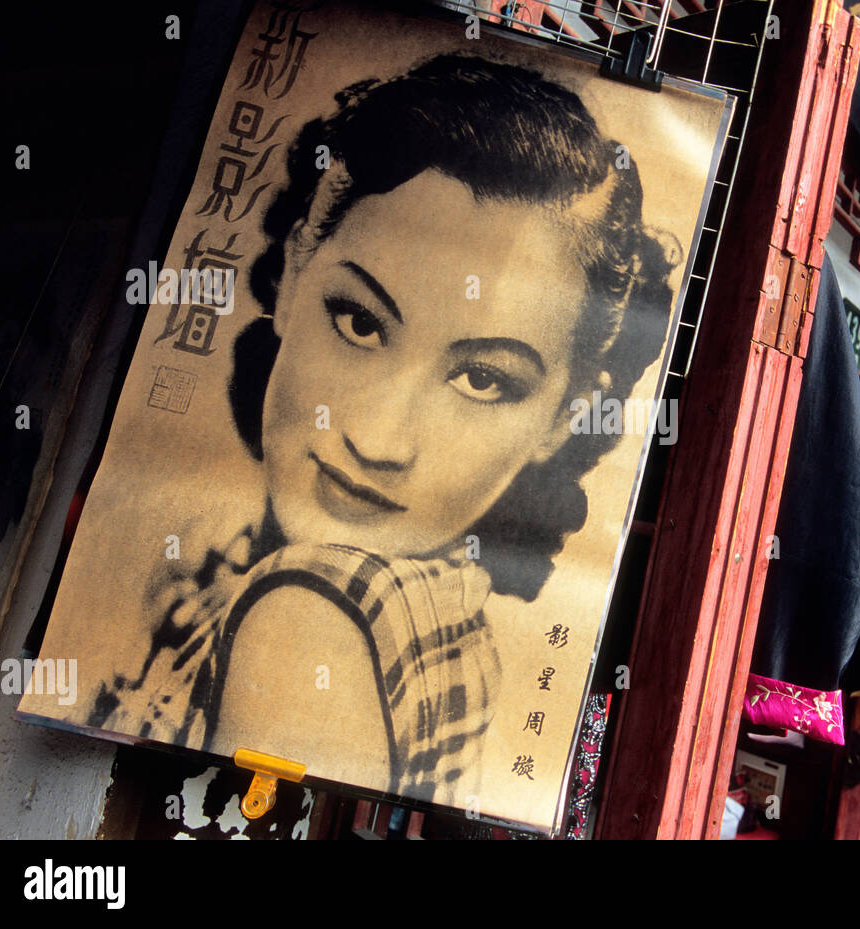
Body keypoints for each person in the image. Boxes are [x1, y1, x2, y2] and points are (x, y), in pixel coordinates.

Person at [87, 54, 680, 801]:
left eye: (483, 378)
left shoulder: (307, 611)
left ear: (562, 418)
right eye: (360, 321)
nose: (377, 439)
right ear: (298, 264)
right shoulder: (439, 606)